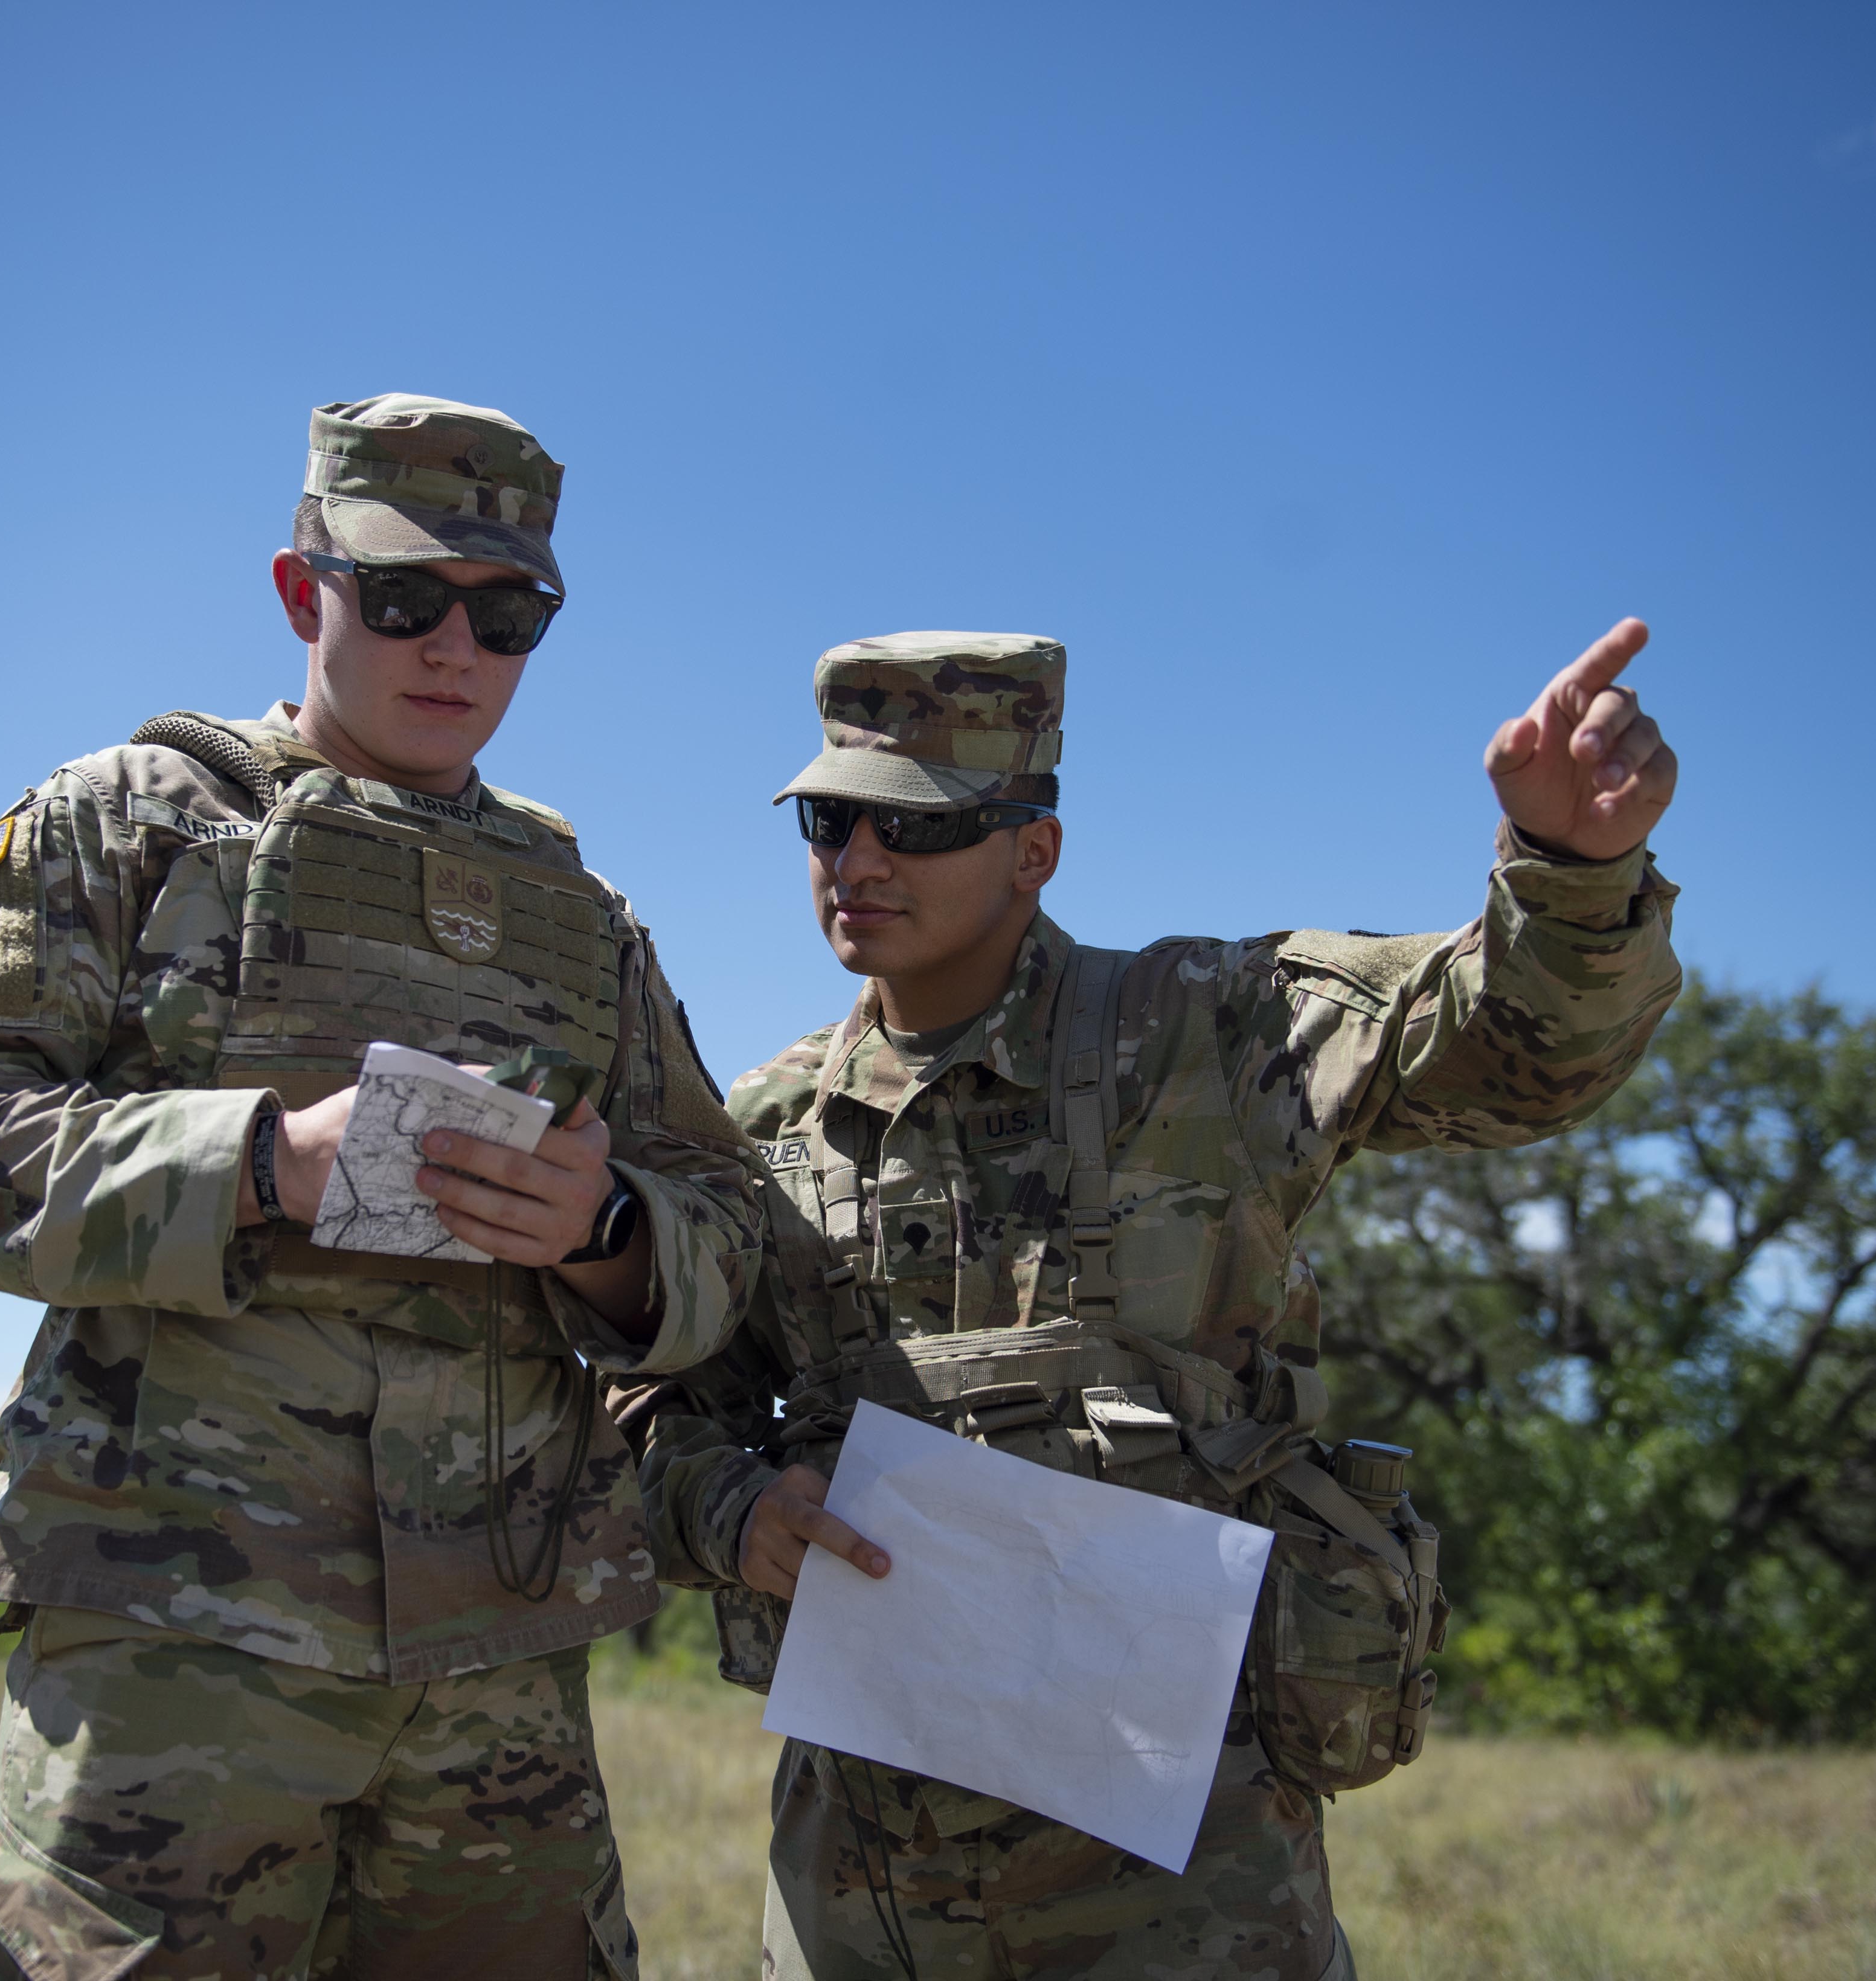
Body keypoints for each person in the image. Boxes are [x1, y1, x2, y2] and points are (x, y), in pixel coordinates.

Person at [0, 394, 763, 1980]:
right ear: (300, 592)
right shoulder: (131, 820)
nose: (453, 647)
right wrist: (260, 1164)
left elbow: (735, 1225)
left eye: (509, 611)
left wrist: (609, 1241)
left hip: (503, 1673)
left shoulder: (587, 919)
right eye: (402, 598)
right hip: (182, 1654)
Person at [620, 625, 1684, 1980]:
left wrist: (1573, 870)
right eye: (830, 817)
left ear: (1033, 849)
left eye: (916, 824)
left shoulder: (1204, 1029)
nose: (860, 860)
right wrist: (733, 1508)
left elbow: (1503, 1048)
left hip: (1184, 1871)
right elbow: (654, 1400)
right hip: (866, 1871)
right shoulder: (765, 1125)